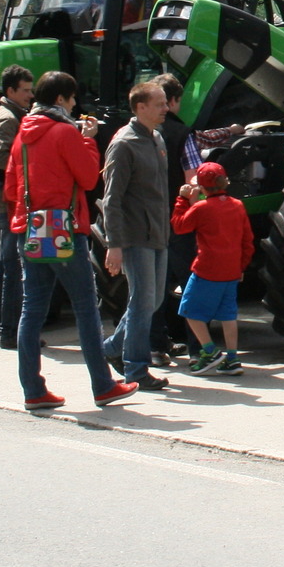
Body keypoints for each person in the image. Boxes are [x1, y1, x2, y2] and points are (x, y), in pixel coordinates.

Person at [4, 70, 138, 412]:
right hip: (64, 229)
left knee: (31, 309)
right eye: (73, 98)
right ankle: (103, 385)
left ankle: (33, 390)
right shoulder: (65, 131)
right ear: (62, 99)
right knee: (85, 307)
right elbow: (86, 176)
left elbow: (9, 187)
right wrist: (88, 139)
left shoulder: (23, 133)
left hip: (30, 229)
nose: (76, 104)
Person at [101, 81, 173, 391]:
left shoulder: (157, 138)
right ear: (140, 107)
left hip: (157, 233)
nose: (165, 108)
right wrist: (114, 245)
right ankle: (136, 368)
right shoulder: (124, 144)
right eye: (159, 103)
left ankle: (111, 349)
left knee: (152, 300)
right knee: (143, 301)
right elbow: (111, 199)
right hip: (134, 237)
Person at [172, 162, 256, 374]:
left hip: (207, 269)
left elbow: (180, 226)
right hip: (231, 271)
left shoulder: (201, 208)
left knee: (189, 310)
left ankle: (210, 351)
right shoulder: (237, 205)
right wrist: (241, 266)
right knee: (228, 315)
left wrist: (182, 200)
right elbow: (248, 241)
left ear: (201, 186)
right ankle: (233, 359)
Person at [0, 65, 34, 350]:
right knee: (13, 264)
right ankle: (7, 330)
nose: (30, 95)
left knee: (7, 263)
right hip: (9, 199)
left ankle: (0, 326)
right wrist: (29, 167)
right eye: (26, 90)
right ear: (10, 91)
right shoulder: (8, 119)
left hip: (9, 197)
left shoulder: (17, 115)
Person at [150, 71, 196, 362]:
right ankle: (197, 349)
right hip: (178, 221)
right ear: (175, 101)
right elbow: (193, 181)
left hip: (148, 221)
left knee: (154, 286)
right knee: (191, 283)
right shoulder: (182, 134)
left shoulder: (140, 133)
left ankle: (155, 345)